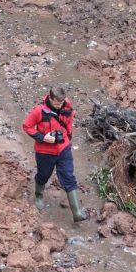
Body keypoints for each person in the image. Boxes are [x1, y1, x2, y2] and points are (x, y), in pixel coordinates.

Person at [22, 86, 88, 222]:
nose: (59, 106)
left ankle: (77, 213)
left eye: (61, 103)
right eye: (57, 103)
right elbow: (26, 126)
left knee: (68, 177)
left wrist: (68, 138)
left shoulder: (67, 107)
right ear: (50, 98)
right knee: (43, 175)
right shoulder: (39, 111)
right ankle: (39, 196)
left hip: (63, 148)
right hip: (44, 151)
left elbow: (69, 122)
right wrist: (42, 137)